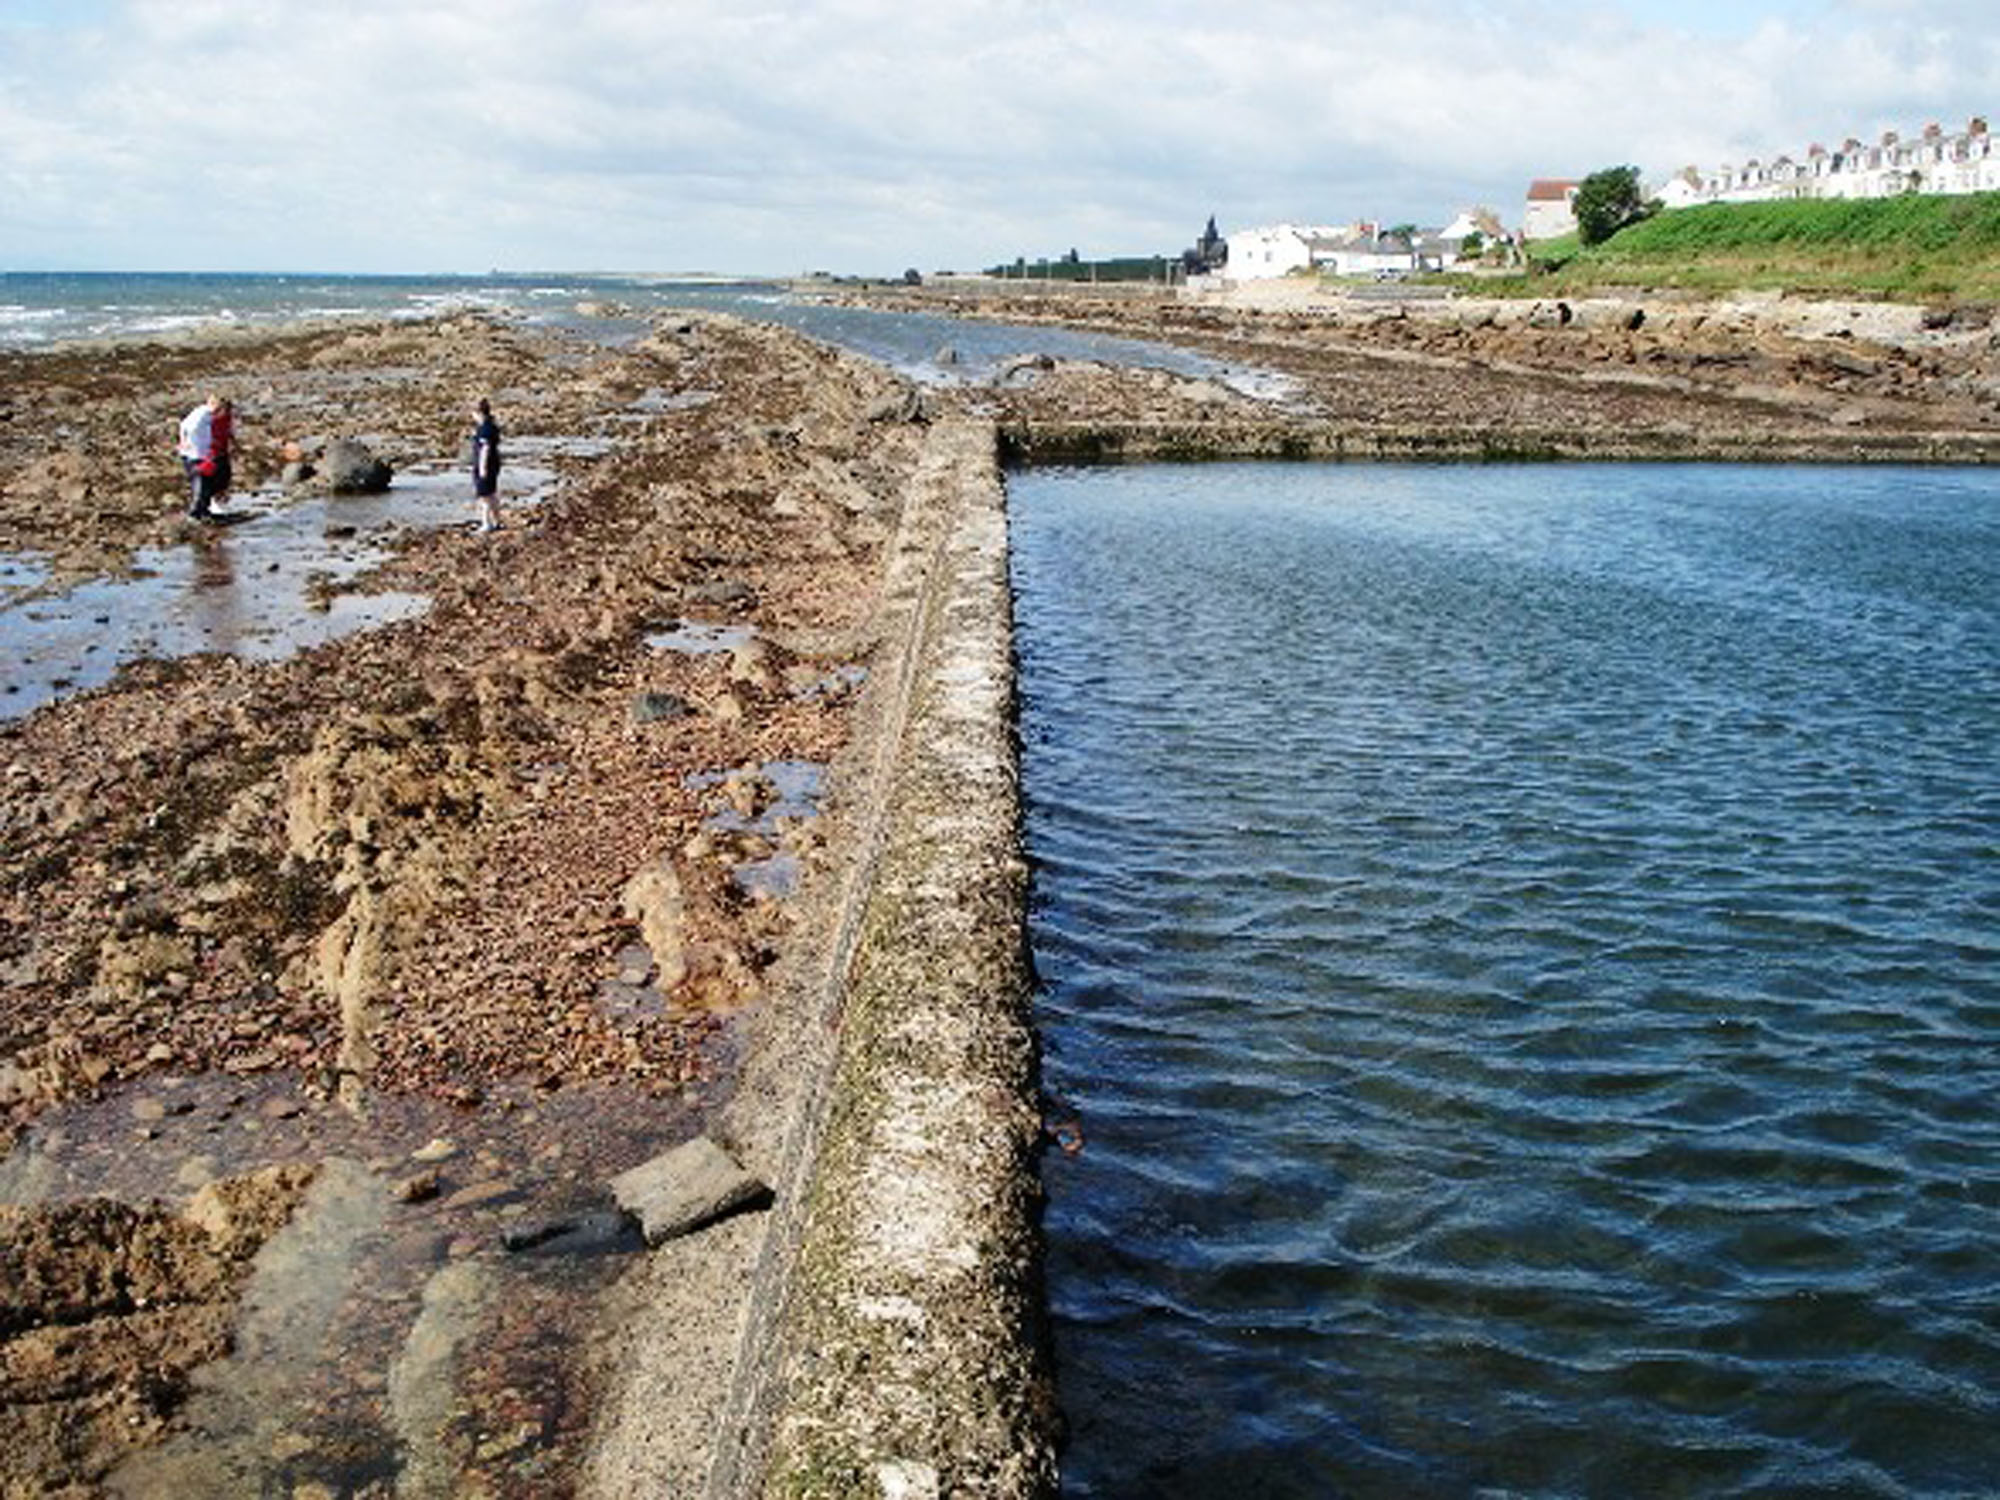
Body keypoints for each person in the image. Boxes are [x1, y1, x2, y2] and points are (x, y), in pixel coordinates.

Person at [175, 393, 232, 522]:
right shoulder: (201, 414)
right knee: (200, 486)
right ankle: (194, 515)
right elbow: (185, 426)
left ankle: (206, 511)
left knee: (213, 483)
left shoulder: (215, 416)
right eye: (219, 408)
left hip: (206, 455)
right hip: (194, 456)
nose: (221, 412)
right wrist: (184, 441)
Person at [470, 398, 502, 532]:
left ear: (479, 413)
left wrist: (483, 468)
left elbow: (485, 448)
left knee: (485, 497)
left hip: (486, 465)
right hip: (494, 464)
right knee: (492, 494)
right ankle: (497, 521)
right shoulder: (492, 426)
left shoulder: (485, 429)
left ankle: (486, 523)